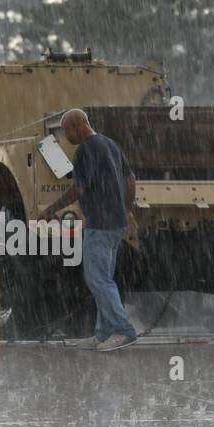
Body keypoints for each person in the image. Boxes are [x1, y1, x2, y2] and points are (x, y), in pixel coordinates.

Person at [38, 108, 138, 351]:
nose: (66, 137)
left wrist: (51, 209)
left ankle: (123, 330)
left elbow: (78, 190)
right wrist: (126, 210)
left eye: (66, 130)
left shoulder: (85, 150)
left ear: (79, 125)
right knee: (102, 277)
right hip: (115, 223)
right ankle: (103, 333)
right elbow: (130, 179)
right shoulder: (110, 144)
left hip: (100, 224)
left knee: (97, 279)